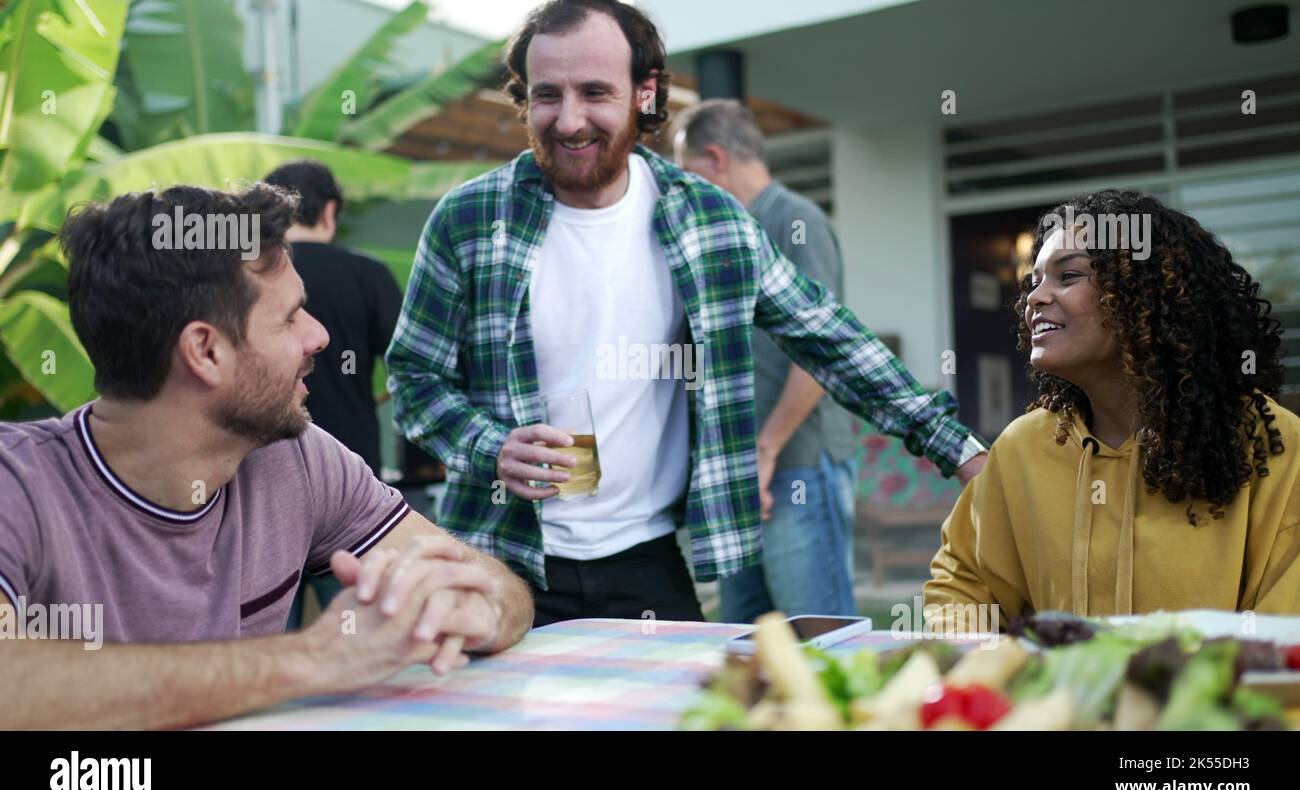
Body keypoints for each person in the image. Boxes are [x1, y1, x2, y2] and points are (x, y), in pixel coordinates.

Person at [387, 0, 987, 627]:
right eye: (546, 95)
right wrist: (491, 447)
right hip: (497, 557)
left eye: (594, 92)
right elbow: (414, 381)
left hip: (648, 560)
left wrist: (964, 453)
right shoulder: (468, 220)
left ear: (644, 95)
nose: (568, 121)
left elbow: (829, 339)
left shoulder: (710, 220)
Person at [0, 183, 533, 729]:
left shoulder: (298, 460)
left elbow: (492, 582)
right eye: (290, 318)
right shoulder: (17, 484)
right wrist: (318, 657)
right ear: (206, 352)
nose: (319, 336)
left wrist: (469, 607)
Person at [925, 189, 1300, 627]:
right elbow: (964, 584)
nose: (1035, 299)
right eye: (1035, 282)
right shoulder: (1022, 447)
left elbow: (1284, 628)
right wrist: (993, 671)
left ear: (1145, 293)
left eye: (1068, 277)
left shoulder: (1271, 443)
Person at [673, 99, 861, 623]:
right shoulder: (728, 232)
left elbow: (823, 353)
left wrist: (767, 450)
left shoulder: (795, 220)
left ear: (716, 159)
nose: (687, 191)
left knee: (819, 636)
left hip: (797, 465)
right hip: (747, 472)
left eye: (690, 174)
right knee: (747, 636)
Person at [263, 160, 404, 628]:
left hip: (261, 487)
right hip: (350, 490)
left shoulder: (249, 280)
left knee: (262, 645)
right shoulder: (368, 274)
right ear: (331, 213)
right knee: (360, 641)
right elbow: (409, 367)